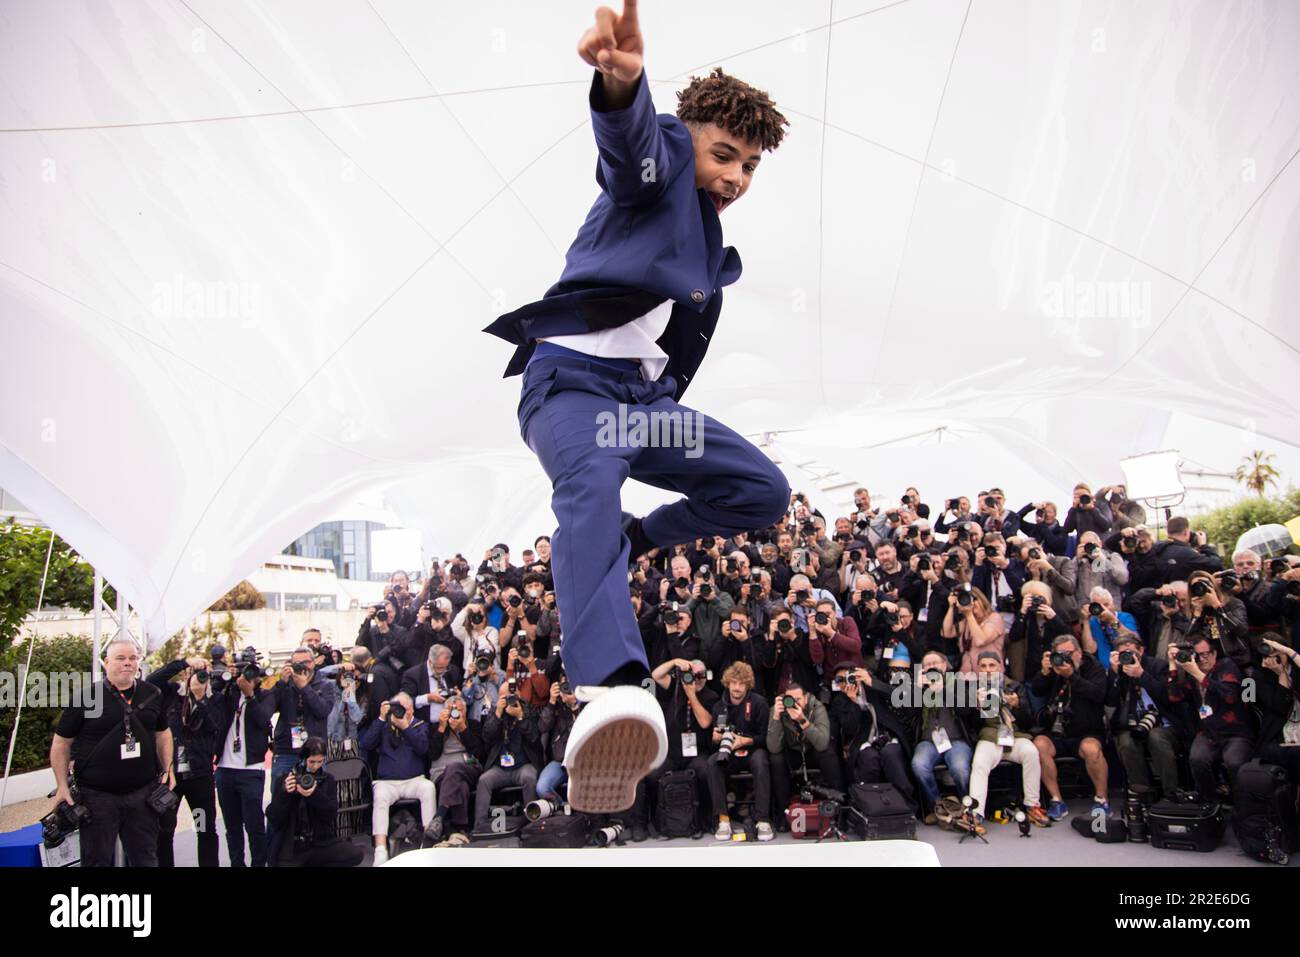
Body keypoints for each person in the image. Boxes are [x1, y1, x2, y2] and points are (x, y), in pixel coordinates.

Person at [484, 0, 792, 812]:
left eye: (750, 168)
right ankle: (611, 683)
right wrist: (622, 88)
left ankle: (633, 539)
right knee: (587, 490)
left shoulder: (707, 242)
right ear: (689, 138)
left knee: (762, 490)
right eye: (725, 156)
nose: (735, 178)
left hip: (637, 407)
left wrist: (649, 536)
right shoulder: (657, 173)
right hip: (571, 386)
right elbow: (634, 155)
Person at [50, 637, 172, 867]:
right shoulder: (87, 697)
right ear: (106, 663)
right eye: (121, 658)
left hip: (143, 794)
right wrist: (62, 786)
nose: (128, 663)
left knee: (146, 859)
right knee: (97, 861)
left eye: (133, 658)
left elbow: (163, 733)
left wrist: (168, 768)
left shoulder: (153, 693)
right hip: (97, 797)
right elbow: (60, 743)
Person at [146, 655, 223, 868]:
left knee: (205, 828)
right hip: (170, 776)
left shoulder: (215, 699)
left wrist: (201, 699)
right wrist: (183, 662)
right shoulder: (171, 694)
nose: (199, 676)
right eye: (196, 672)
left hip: (199, 776)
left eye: (203, 673)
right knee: (165, 831)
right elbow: (151, 681)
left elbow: (215, 727)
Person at [967, 652, 1049, 830]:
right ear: (978, 669)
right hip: (990, 737)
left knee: (1031, 752)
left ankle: (1032, 805)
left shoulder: (1015, 686)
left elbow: (1029, 721)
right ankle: (975, 813)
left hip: (1015, 735)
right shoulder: (972, 689)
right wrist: (976, 707)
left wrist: (1017, 706)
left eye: (992, 665)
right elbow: (970, 726)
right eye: (983, 666)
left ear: (1000, 667)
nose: (988, 670)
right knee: (980, 763)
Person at [1031, 635, 1110, 819]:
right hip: (1058, 731)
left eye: (1069, 653)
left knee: (1091, 749)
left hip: (1088, 731)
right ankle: (1056, 799)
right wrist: (1044, 672)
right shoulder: (1054, 669)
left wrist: (1071, 676)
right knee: (1039, 745)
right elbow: (1036, 690)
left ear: (1079, 653)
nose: (1065, 658)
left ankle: (1102, 799)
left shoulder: (1094, 667)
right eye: (1060, 654)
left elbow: (1098, 694)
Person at [1168, 636, 1253, 802]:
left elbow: (1230, 696)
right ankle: (1210, 803)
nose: (1201, 659)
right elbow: (1174, 696)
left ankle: (1244, 805)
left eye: (1205, 654)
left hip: (1235, 733)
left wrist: (1198, 674)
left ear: (1214, 653)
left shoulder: (1227, 666)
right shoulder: (1192, 672)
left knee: (1233, 762)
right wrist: (1172, 665)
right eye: (1197, 655)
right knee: (1197, 759)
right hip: (1208, 733)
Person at [211, 648, 275, 867]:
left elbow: (262, 719)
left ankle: (259, 864)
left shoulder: (266, 696)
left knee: (255, 825)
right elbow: (212, 701)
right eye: (243, 673)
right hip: (225, 770)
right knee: (232, 827)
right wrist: (225, 681)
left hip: (251, 771)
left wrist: (250, 695)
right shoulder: (229, 694)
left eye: (251, 674)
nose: (247, 678)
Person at [830, 659, 918, 813]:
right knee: (869, 761)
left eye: (849, 677)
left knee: (892, 756)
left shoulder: (873, 689)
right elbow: (850, 729)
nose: (846, 683)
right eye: (840, 680)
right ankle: (871, 808)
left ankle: (907, 807)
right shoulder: (839, 701)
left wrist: (871, 682)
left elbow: (899, 698)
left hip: (887, 738)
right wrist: (854, 703)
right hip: (862, 744)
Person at [1105, 631, 1184, 800]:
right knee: (1126, 742)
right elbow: (1111, 701)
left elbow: (1168, 697)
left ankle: (1171, 792)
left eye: (1131, 652)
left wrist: (1141, 675)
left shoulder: (1158, 666)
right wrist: (1113, 673)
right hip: (1132, 723)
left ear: (1141, 651)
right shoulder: (1120, 670)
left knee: (1156, 737)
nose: (1128, 657)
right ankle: (1142, 793)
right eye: (1123, 654)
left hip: (1163, 724)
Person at [361, 694, 436, 865]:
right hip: (387, 783)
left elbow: (423, 747)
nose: (401, 711)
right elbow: (366, 744)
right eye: (397, 707)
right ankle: (380, 850)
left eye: (405, 708)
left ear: (411, 709)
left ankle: (429, 842)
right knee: (379, 796)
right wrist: (381, 718)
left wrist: (405, 727)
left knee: (429, 788)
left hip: (414, 780)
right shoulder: (384, 724)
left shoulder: (419, 725)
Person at [267, 737, 363, 867]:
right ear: (303, 759)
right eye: (311, 762)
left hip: (319, 843)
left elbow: (331, 815)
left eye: (319, 762)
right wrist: (285, 793)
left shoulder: (327, 779)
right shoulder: (285, 779)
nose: (315, 766)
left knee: (356, 854)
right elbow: (274, 819)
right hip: (293, 847)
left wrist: (314, 795)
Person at [905, 651, 975, 824]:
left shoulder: (957, 683)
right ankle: (938, 807)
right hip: (928, 742)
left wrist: (942, 690)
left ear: (944, 665)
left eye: (934, 663)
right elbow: (908, 714)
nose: (931, 667)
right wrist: (917, 690)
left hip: (956, 740)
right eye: (926, 665)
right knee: (919, 765)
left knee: (960, 768)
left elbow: (966, 710)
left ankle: (966, 808)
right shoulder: (918, 686)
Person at [704, 663, 772, 839]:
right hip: (730, 753)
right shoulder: (719, 706)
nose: (737, 688)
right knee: (712, 762)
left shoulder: (759, 703)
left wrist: (746, 740)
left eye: (741, 683)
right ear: (727, 683)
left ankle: (762, 819)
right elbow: (713, 748)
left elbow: (766, 739)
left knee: (761, 761)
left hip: (752, 749)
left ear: (748, 685)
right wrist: (715, 739)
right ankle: (723, 819)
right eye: (733, 683)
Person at [767, 681, 841, 829]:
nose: (794, 703)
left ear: (806, 698)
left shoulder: (816, 707)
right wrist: (776, 717)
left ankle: (840, 809)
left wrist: (803, 720)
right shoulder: (778, 709)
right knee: (776, 759)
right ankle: (783, 814)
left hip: (813, 749)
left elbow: (822, 743)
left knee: (828, 753)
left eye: (798, 699)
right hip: (792, 751)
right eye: (790, 699)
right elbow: (774, 748)